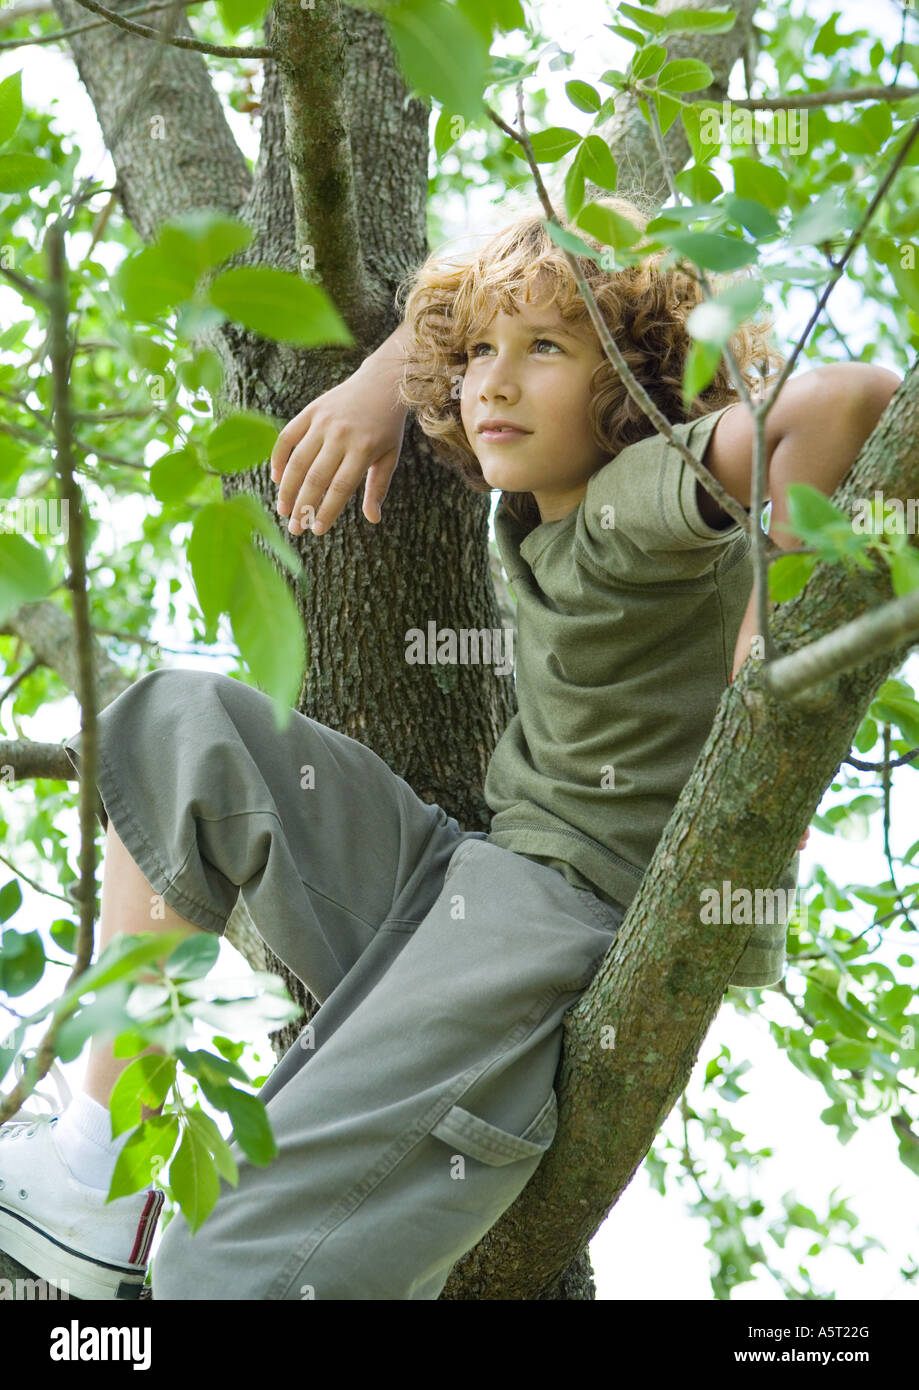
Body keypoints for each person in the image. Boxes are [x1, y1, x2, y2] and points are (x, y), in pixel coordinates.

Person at [0, 196, 896, 1302]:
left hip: (568, 919)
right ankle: (99, 1161)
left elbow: (854, 401)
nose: (495, 384)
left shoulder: (641, 496)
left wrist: (770, 644)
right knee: (182, 726)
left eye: (546, 350)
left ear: (633, 382)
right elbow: (462, 328)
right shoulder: (542, 497)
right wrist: (386, 386)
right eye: (477, 353)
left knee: (221, 1261)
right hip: (468, 881)